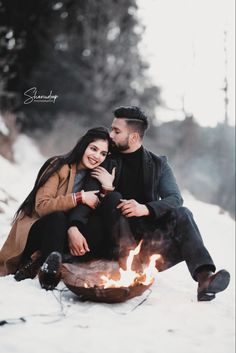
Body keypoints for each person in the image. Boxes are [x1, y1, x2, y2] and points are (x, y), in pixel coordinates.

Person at [96, 106, 230, 301]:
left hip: (147, 248)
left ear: (133, 137)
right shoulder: (104, 158)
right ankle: (128, 266)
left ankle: (205, 279)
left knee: (182, 213)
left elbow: (175, 199)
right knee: (113, 199)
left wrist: (145, 209)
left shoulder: (158, 164)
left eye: (116, 131)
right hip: (113, 245)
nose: (110, 135)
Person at [0, 127, 117, 290]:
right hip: (38, 229)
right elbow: (42, 207)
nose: (97, 156)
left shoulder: (94, 177)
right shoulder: (59, 165)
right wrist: (80, 197)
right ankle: (48, 273)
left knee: (95, 224)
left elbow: (94, 211)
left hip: (60, 236)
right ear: (83, 146)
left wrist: (107, 187)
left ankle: (42, 262)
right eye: (93, 148)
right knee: (58, 217)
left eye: (103, 153)